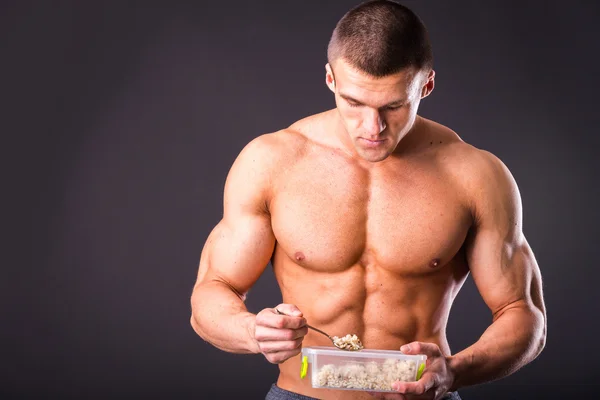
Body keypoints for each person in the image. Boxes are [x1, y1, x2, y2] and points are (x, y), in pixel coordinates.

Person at [189, 1, 547, 399]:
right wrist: (253, 331)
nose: (371, 128)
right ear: (330, 79)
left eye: (393, 106)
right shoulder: (271, 162)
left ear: (425, 85)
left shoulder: (476, 175)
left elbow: (524, 314)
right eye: (354, 103)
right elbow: (212, 291)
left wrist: (456, 371)